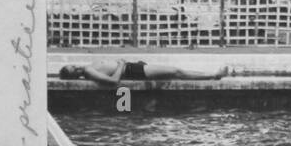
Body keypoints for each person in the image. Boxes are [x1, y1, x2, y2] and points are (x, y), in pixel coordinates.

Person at [58, 60, 229, 85]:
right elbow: (113, 82)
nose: (74, 66)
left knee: (177, 72)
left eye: (71, 65)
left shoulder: (88, 67)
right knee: (176, 71)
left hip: (134, 67)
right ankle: (214, 75)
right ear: (73, 75)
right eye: (71, 69)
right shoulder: (88, 72)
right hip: (132, 71)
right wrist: (121, 65)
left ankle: (212, 74)